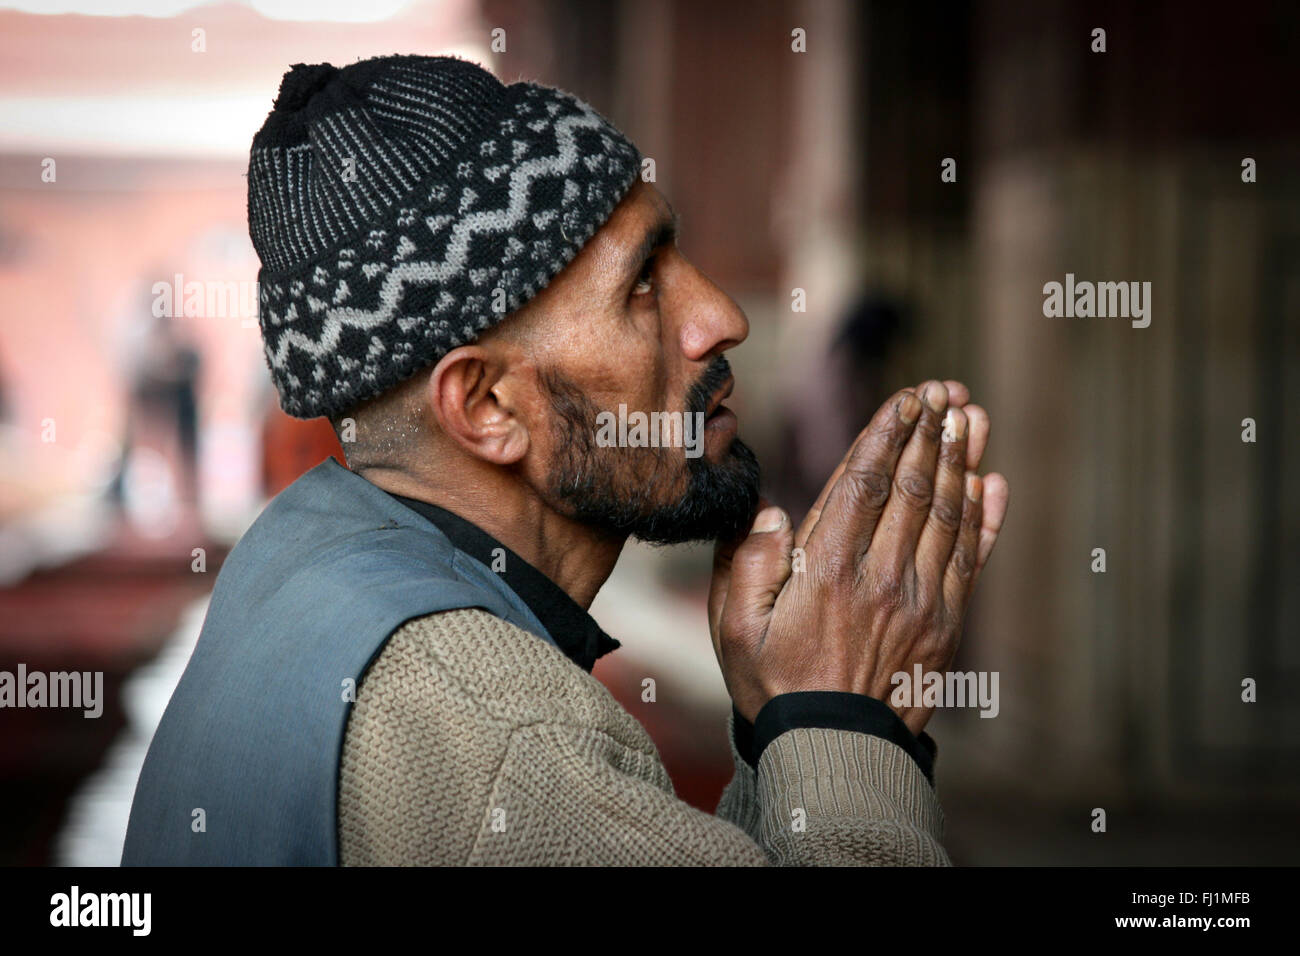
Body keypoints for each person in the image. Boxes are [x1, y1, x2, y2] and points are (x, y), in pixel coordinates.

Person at [121, 54, 1008, 866]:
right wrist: (847, 720)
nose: (721, 316)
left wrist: (778, 722)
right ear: (486, 406)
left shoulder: (299, 553)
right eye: (642, 286)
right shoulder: (498, 731)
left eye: (676, 249)